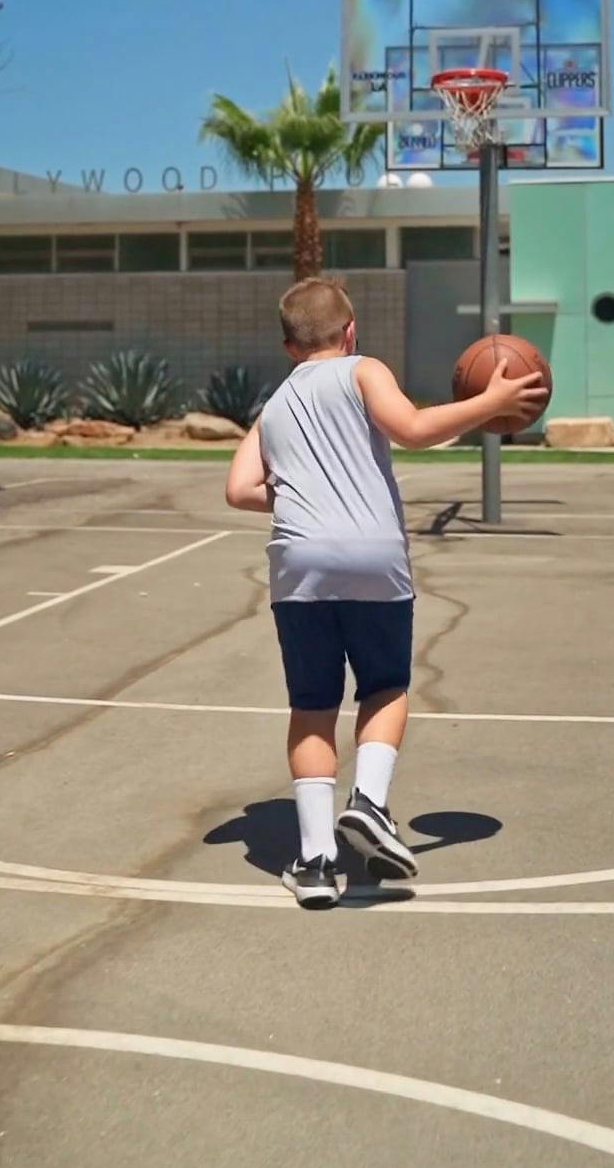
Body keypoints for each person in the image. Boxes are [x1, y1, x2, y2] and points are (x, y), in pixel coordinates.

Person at [225, 277, 547, 909]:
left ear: (288, 346)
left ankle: (315, 861)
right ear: (350, 332)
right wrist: (494, 399)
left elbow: (239, 490)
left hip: (300, 564)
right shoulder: (363, 370)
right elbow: (416, 428)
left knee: (312, 706)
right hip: (372, 558)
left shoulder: (277, 404)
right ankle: (369, 804)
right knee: (384, 687)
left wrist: (300, 496)